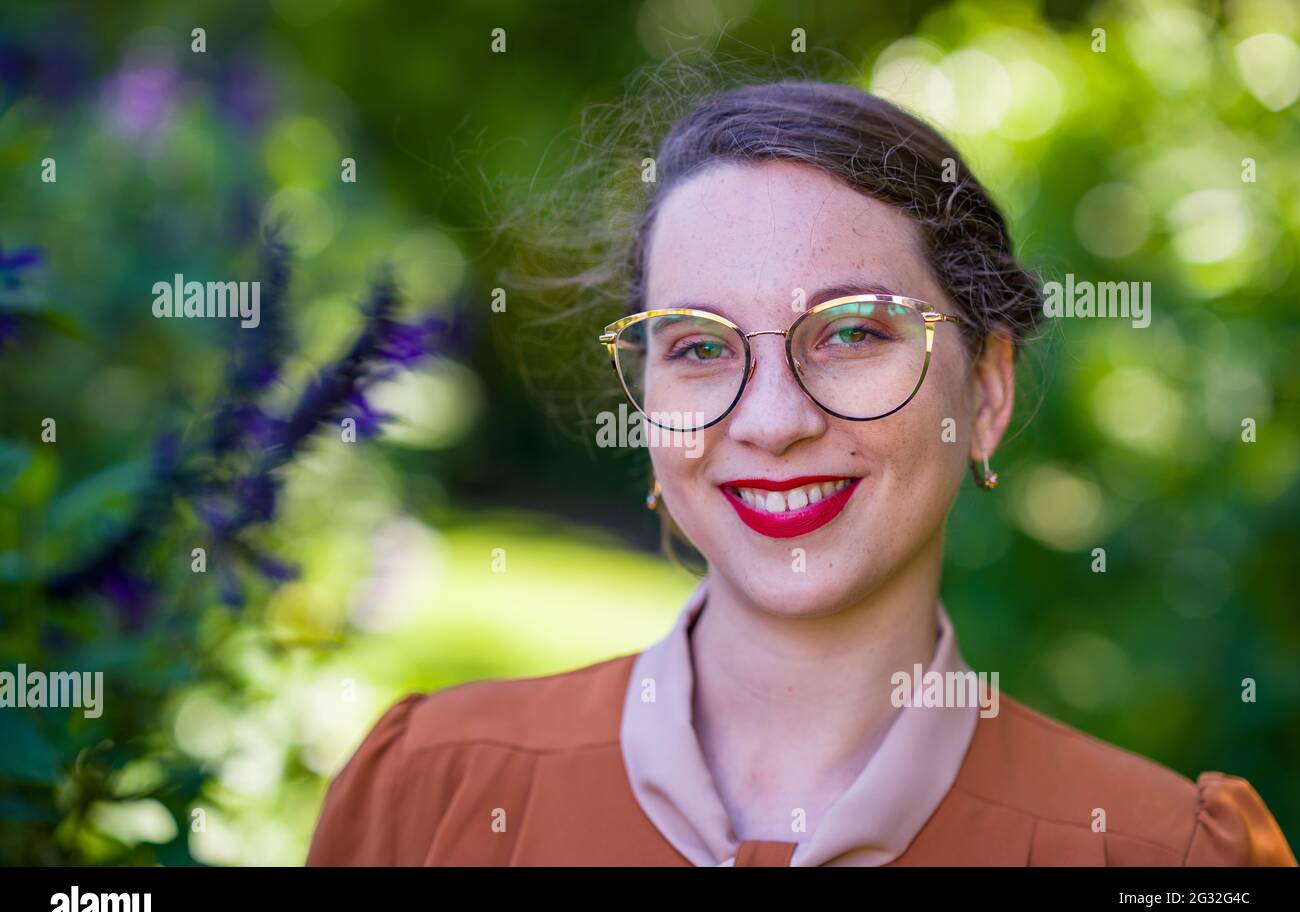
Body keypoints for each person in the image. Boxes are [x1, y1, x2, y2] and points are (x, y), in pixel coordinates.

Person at [306, 79, 1295, 867]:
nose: (773, 420)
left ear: (985, 394)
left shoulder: (1163, 858)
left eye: (852, 332)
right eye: (697, 347)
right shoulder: (429, 794)